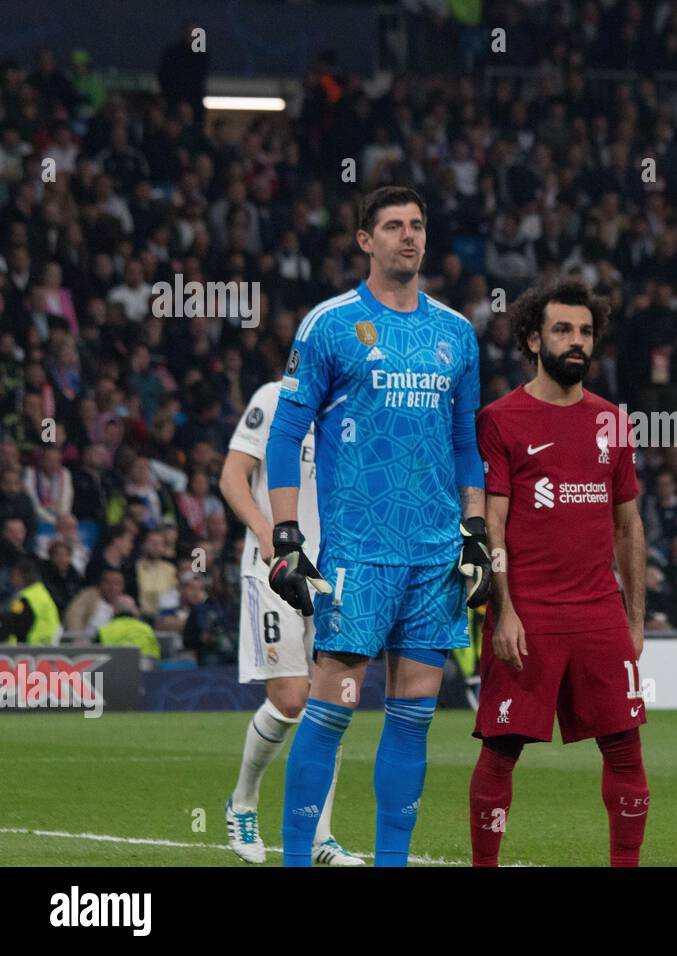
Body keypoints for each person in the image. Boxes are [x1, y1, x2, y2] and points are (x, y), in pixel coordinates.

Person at [268, 186, 488, 867]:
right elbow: (285, 434)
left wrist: (476, 532)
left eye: (417, 225)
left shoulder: (456, 332)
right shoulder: (329, 324)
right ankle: (300, 859)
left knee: (415, 715)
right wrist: (286, 537)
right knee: (332, 706)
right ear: (365, 240)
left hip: (434, 556)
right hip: (358, 554)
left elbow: (465, 444)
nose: (408, 237)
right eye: (392, 226)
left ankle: (393, 861)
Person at [469, 278, 649, 867]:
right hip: (530, 613)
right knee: (501, 751)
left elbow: (629, 527)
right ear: (532, 338)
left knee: (626, 752)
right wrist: (505, 610)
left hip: (599, 613)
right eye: (563, 330)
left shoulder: (612, 423)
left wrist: (634, 620)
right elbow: (493, 524)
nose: (577, 342)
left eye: (586, 332)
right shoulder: (500, 419)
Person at [216, 380, 361, 866]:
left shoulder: (356, 400)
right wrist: (264, 532)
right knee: (290, 698)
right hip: (276, 568)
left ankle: (320, 836)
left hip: (336, 570)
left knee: (330, 707)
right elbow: (232, 475)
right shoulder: (275, 397)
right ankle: (242, 803)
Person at [0, 557, 62, 645]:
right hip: (46, 646)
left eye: (14, 575)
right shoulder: (40, 593)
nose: (12, 579)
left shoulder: (25, 599)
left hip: (31, 649)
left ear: (22, 576)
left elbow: (13, 623)